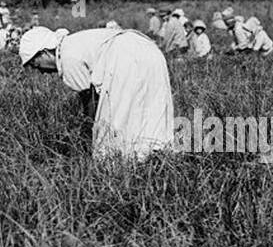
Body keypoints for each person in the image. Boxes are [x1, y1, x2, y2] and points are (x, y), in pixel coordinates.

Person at [20, 25, 176, 160]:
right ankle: (155, 155)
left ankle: (126, 164)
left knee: (116, 127)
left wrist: (89, 137)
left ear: (45, 52)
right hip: (149, 50)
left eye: (35, 63)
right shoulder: (73, 43)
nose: (40, 71)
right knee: (150, 109)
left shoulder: (67, 57)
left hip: (125, 58)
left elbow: (90, 102)